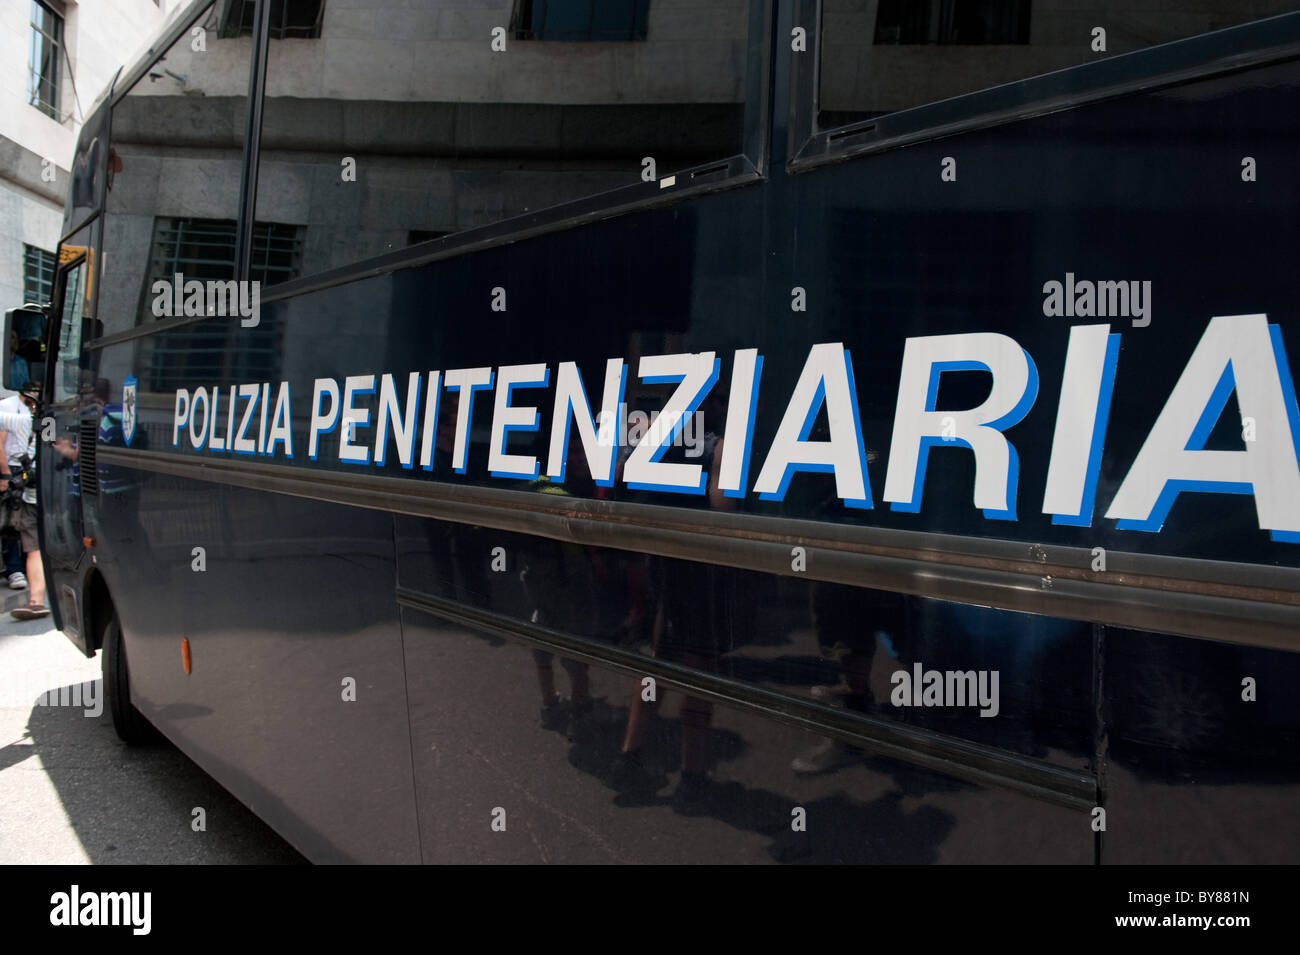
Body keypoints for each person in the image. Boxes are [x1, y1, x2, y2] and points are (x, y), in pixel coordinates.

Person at [0, 383, 49, 618]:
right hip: (51, 489)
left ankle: (36, 600)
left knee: (34, 547)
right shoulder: (54, 420)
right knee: (38, 546)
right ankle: (37, 598)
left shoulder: (20, 421)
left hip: (30, 493)